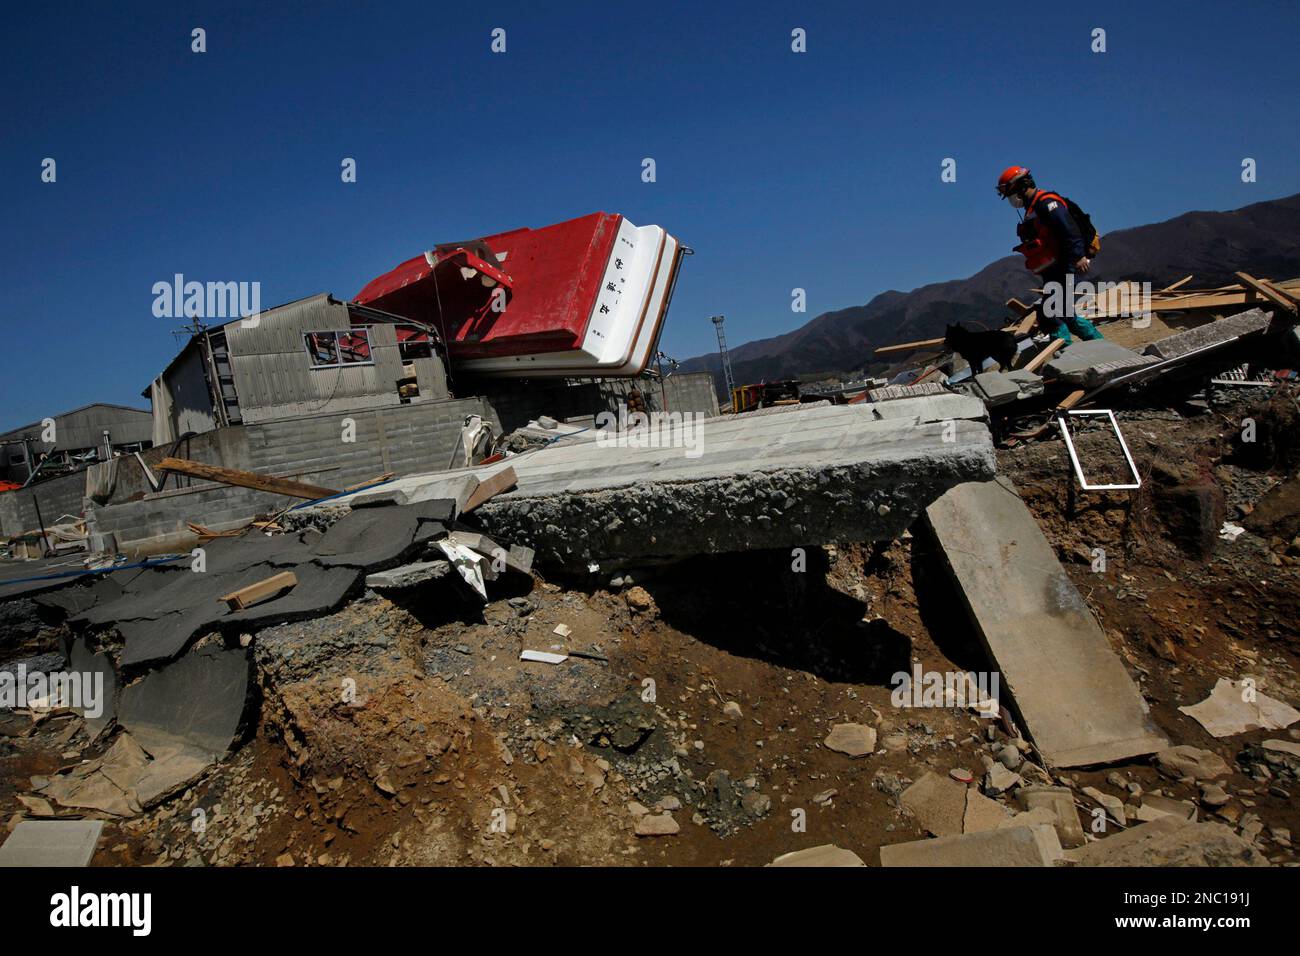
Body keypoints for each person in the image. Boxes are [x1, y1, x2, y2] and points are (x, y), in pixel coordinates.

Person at [996, 166, 1103, 343]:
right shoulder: (1032, 209)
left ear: (1022, 186)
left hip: (1063, 264)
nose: (1010, 199)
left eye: (1010, 193)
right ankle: (1099, 346)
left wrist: (1078, 256)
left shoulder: (1046, 203)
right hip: (1053, 267)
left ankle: (1065, 352)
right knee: (1064, 313)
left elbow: (1068, 228)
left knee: (1051, 313)